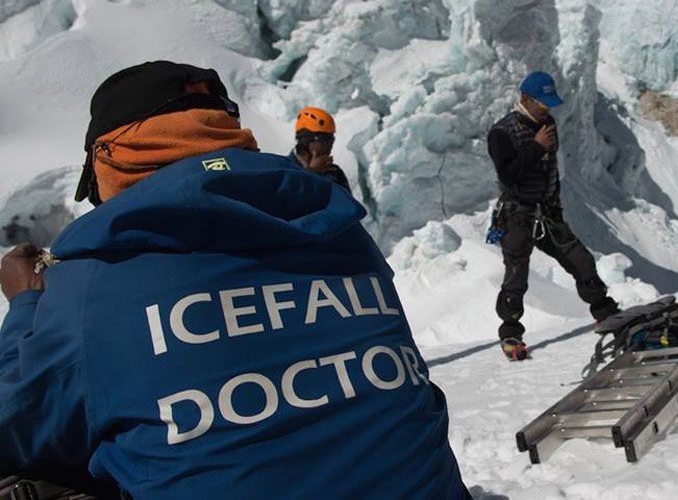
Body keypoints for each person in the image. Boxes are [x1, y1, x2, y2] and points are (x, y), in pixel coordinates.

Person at [0, 61, 469, 499]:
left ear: (109, 161)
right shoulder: (339, 229)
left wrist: (25, 303)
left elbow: (15, 424)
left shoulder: (93, 285)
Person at [487, 71, 619, 361]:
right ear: (525, 99)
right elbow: (508, 177)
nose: (547, 109)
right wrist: (536, 147)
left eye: (549, 104)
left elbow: (551, 171)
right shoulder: (501, 133)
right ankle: (511, 335)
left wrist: (555, 197)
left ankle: (606, 314)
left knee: (580, 260)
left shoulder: (547, 125)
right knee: (516, 276)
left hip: (547, 212)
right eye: (542, 104)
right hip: (518, 215)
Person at [290, 106, 351, 193]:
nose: (331, 145)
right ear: (308, 141)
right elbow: (290, 201)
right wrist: (313, 174)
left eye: (332, 139)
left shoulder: (335, 173)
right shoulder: (285, 170)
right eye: (327, 139)